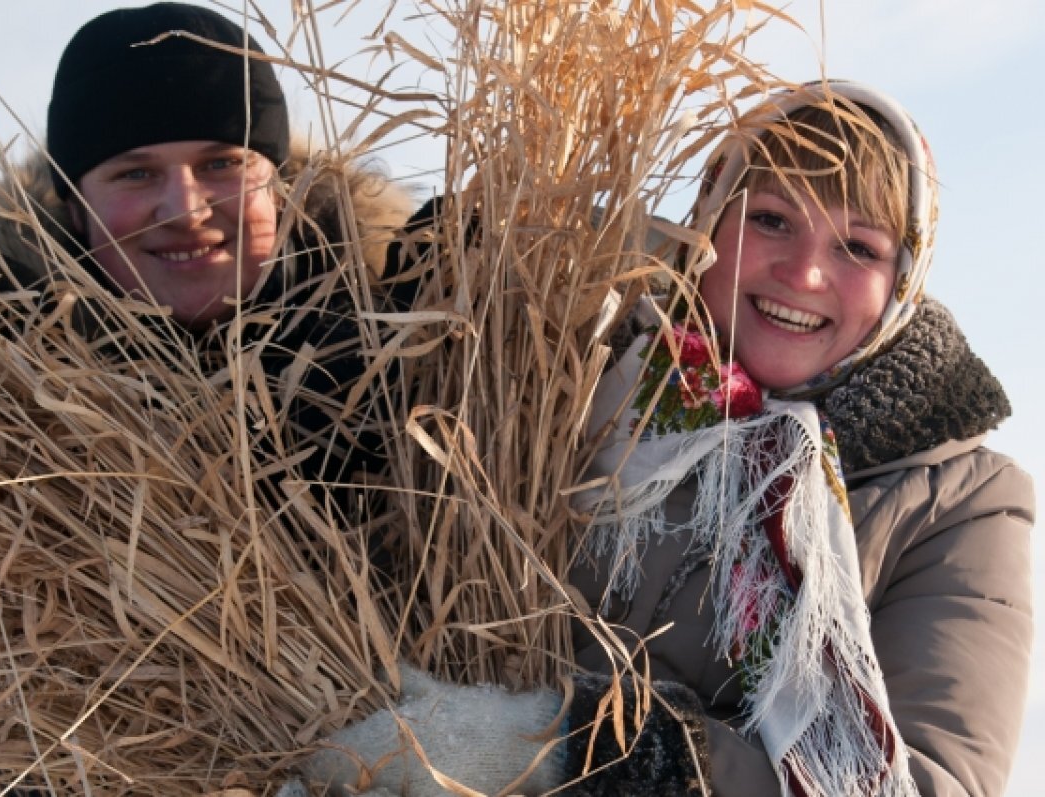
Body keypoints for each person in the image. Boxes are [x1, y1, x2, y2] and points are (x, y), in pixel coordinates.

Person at [294, 80, 1033, 797]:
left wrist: (561, 744)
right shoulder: (582, 373)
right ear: (707, 223)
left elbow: (934, 784)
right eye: (772, 219)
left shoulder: (959, 504)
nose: (804, 272)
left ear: (904, 276)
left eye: (859, 248)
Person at [0, 1, 416, 487]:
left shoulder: (432, 327)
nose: (187, 211)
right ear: (76, 211)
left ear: (281, 189)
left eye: (223, 163)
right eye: (136, 175)